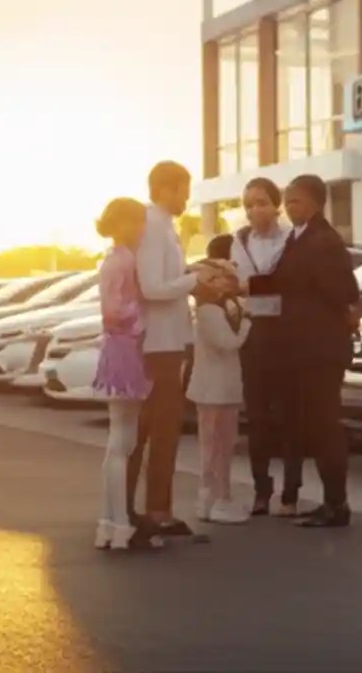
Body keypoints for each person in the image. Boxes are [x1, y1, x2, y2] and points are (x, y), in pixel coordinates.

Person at [128, 160, 226, 541]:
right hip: (158, 344)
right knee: (152, 429)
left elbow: (170, 282)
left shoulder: (166, 227)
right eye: (183, 190)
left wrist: (199, 280)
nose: (187, 197)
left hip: (171, 339)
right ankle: (146, 512)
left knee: (164, 429)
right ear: (165, 188)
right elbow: (152, 286)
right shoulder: (152, 227)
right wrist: (193, 279)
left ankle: (157, 509)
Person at [273, 174, 360, 528]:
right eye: (287, 201)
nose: (288, 207)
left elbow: (342, 291)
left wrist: (347, 316)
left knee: (325, 426)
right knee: (312, 424)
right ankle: (329, 502)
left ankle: (336, 504)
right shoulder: (299, 238)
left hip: (321, 351)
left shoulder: (323, 241)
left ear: (315, 203)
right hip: (303, 350)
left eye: (295, 201)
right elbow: (286, 282)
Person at [228, 178, 298, 516]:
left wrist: (252, 284)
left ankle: (291, 490)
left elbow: (290, 282)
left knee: (289, 415)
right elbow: (234, 284)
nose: (254, 210)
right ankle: (261, 488)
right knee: (257, 416)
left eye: (261, 202)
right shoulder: (240, 242)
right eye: (248, 205)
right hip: (254, 333)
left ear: (276, 205)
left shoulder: (292, 239)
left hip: (288, 333)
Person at [91, 197, 154, 550]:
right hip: (127, 348)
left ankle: (109, 521)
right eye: (137, 222)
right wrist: (142, 311)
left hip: (115, 349)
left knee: (118, 442)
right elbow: (116, 311)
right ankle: (119, 523)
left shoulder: (111, 260)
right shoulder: (126, 260)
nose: (141, 229)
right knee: (122, 443)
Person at [187, 234, 253, 524]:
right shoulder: (210, 313)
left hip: (217, 386)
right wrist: (247, 324)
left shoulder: (215, 310)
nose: (224, 283)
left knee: (216, 443)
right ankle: (219, 497)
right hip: (216, 387)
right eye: (216, 279)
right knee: (219, 444)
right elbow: (229, 343)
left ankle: (211, 496)